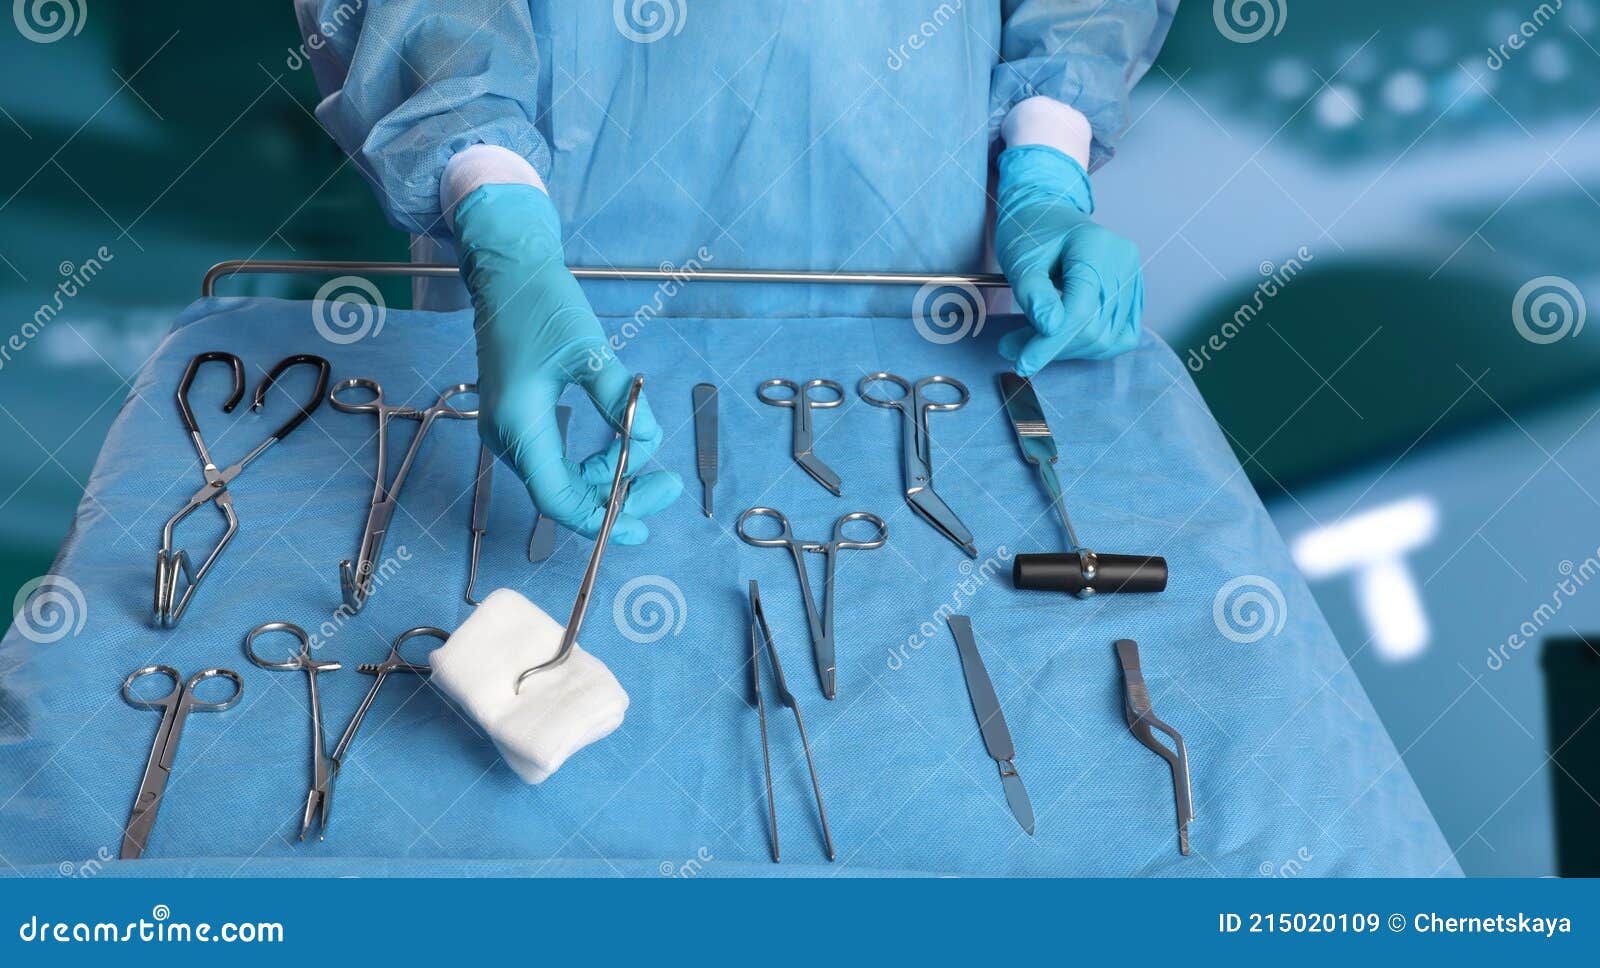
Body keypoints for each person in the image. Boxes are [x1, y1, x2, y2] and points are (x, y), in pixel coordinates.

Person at [292, 0, 1177, 543]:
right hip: (552, 230)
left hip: (907, 228)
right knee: (489, 545)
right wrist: (494, 209)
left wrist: (1048, 150)